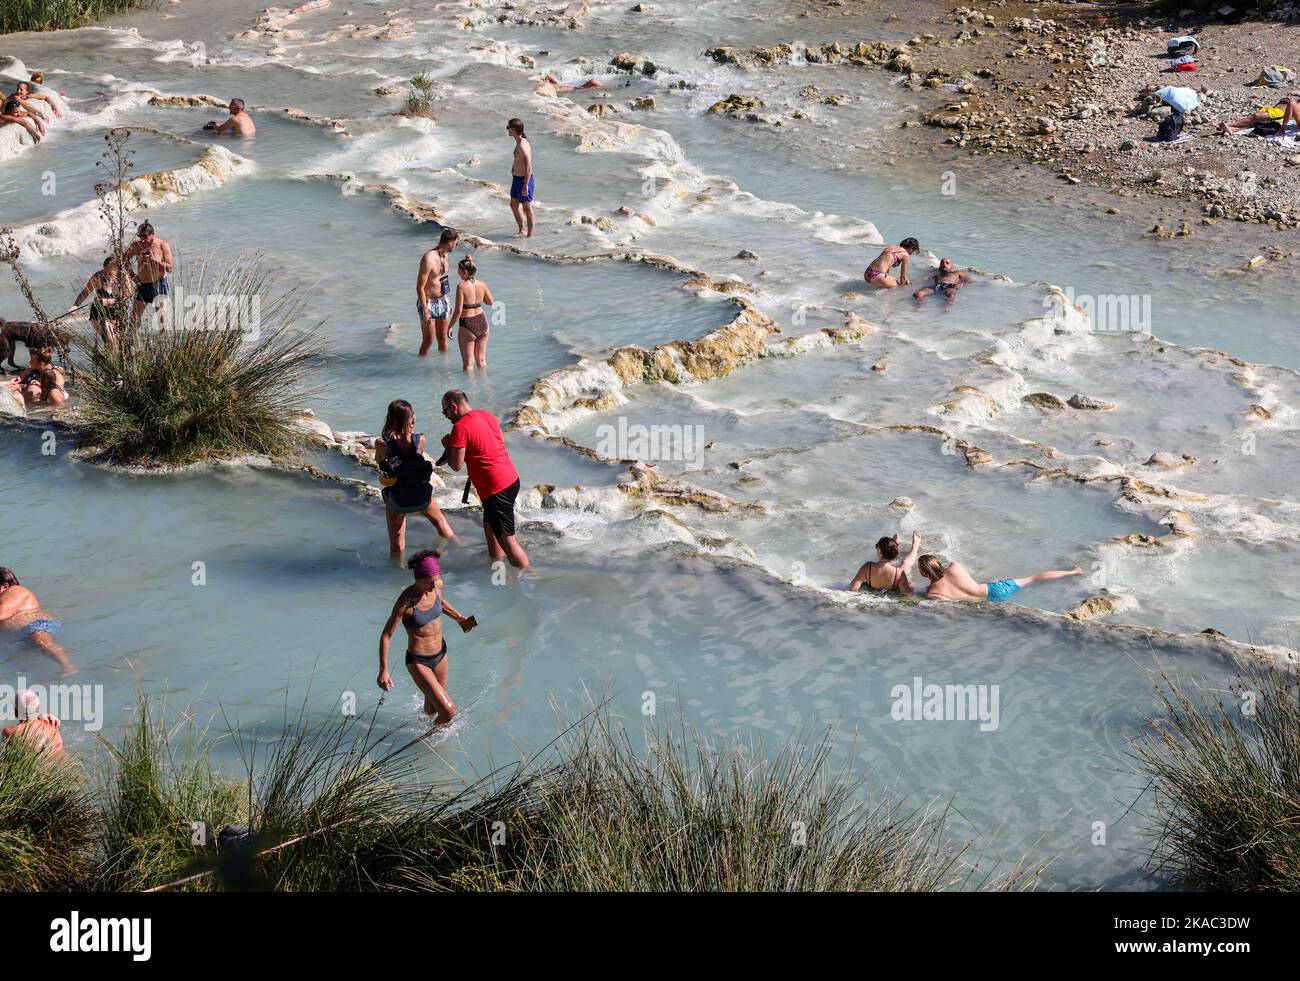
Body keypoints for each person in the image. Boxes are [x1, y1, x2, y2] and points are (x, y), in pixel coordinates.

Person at [377, 550, 477, 725]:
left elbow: (440, 602)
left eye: (436, 580)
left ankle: (426, 735)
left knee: (432, 710)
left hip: (441, 654)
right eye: (429, 582)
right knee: (448, 711)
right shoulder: (406, 602)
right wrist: (383, 670)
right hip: (419, 662)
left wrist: (459, 618)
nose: (434, 585)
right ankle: (431, 739)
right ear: (418, 579)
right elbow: (386, 635)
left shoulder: (437, 585)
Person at [440, 389, 529, 569]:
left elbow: (456, 465)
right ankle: (495, 564)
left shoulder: (459, 428)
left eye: (446, 412)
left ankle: (530, 577)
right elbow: (498, 441)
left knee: (508, 541)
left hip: (495, 489)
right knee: (490, 527)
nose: (447, 416)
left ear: (454, 407)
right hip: (511, 478)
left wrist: (448, 447)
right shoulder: (487, 415)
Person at [375, 399, 457, 554]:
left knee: (397, 546)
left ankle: (397, 571)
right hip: (421, 496)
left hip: (399, 499)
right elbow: (413, 463)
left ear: (390, 418)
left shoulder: (382, 443)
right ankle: (460, 549)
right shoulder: (420, 440)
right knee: (443, 527)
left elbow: (379, 462)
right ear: (411, 418)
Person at [916, 555, 1082, 604]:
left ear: (923, 573)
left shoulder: (931, 593)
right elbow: (966, 580)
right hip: (996, 589)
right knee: (1033, 578)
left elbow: (953, 605)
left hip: (987, 601)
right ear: (937, 562)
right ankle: (1073, 572)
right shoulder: (955, 566)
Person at [0, 567, 74, 675]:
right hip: (20, 636)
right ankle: (50, 679)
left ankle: (69, 668)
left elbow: (1, 614)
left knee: (40, 639)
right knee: (23, 662)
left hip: (38, 625)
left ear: (4, 586)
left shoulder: (16, 590)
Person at [415, 228, 459, 356]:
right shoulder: (428, 258)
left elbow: (443, 279)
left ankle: (444, 369)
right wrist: (426, 310)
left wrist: (448, 303)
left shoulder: (446, 256)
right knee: (428, 340)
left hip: (443, 301)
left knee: (443, 338)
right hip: (428, 303)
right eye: (456, 243)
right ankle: (422, 369)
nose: (456, 246)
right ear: (450, 242)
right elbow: (420, 288)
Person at [448, 255, 494, 371]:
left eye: (459, 271)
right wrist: (477, 299)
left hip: (467, 324)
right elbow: (490, 302)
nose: (458, 273)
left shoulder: (461, 287)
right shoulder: (482, 284)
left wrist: (449, 327)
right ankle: (485, 385)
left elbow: (458, 311)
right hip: (482, 322)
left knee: (468, 365)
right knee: (482, 361)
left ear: (464, 271)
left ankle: (471, 389)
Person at [124, 222, 173, 329]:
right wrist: (132, 275)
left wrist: (154, 260)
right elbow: (124, 259)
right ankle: (129, 343)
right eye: (140, 236)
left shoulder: (162, 245)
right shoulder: (136, 246)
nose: (142, 240)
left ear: (153, 234)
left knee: (161, 320)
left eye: (145, 237)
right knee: (134, 318)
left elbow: (170, 268)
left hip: (158, 284)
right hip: (142, 285)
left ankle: (163, 343)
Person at [70, 256, 130, 343]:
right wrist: (75, 306)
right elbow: (85, 293)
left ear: (117, 269)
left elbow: (127, 297)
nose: (106, 276)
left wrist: (109, 301)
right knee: (110, 339)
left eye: (109, 273)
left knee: (118, 342)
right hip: (99, 313)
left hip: (117, 311)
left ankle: (109, 355)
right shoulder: (97, 276)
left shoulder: (124, 277)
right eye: (104, 272)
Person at [849, 531, 921, 596]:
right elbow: (907, 593)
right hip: (894, 577)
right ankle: (914, 547)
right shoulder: (899, 573)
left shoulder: (867, 567)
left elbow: (853, 587)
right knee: (906, 563)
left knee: (897, 563)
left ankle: (893, 545)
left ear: (879, 550)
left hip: (875, 582)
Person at [3, 690, 66, 758]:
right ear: (38, 708)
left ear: (16, 712)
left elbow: (6, 756)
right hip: (63, 764)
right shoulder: (53, 726)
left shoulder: (9, 732)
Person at [507, 118, 535, 237]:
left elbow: (529, 167)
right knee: (513, 204)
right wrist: (514, 168)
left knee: (527, 207)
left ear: (515, 129)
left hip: (524, 180)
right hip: (516, 179)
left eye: (509, 127)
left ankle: (530, 235)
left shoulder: (523, 145)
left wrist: (525, 185)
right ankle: (522, 229)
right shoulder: (518, 142)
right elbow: (518, 160)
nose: (507, 129)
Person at [1220, 96, 1300, 135]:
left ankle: (1230, 125)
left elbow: (1292, 108)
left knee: (1255, 117)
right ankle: (1233, 129)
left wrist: (1283, 128)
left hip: (1278, 114)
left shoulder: (1293, 105)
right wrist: (1283, 101)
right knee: (1255, 121)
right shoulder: (1294, 102)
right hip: (1274, 110)